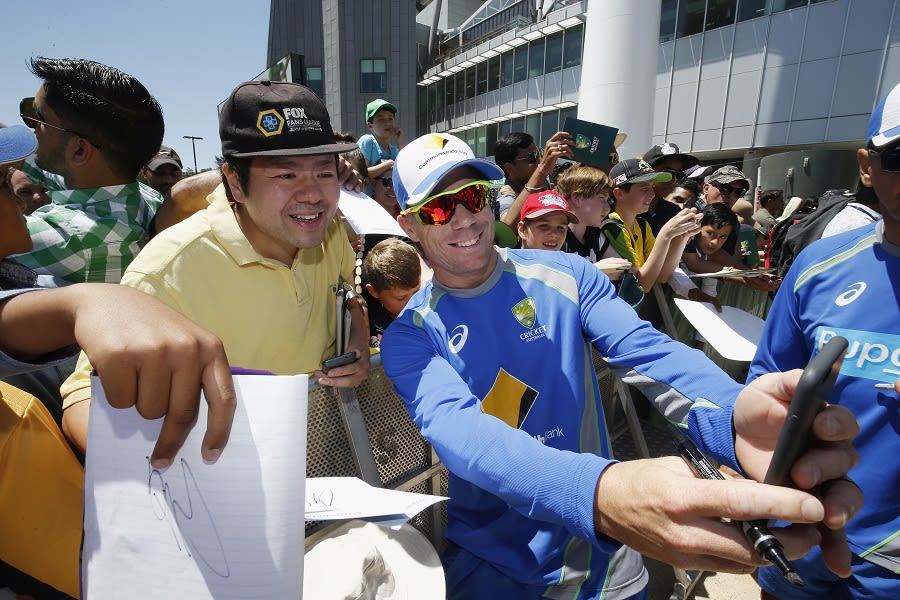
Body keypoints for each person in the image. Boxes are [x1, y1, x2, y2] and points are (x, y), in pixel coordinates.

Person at [382, 132, 860, 599]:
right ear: (409, 225)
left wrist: (736, 417)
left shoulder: (570, 275)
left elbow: (645, 351)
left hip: (601, 562)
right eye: (439, 208)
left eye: (473, 197)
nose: (464, 219)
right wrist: (601, 495)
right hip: (496, 561)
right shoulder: (410, 335)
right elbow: (463, 434)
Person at [60, 80, 371, 455]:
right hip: (223, 475)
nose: (313, 194)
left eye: (324, 173)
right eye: (286, 175)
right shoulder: (167, 270)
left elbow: (348, 295)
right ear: (235, 182)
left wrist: (357, 343)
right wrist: (156, 462)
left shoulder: (329, 232)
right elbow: (82, 397)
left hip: (321, 458)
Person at [751, 82, 900, 600]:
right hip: (801, 545)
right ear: (867, 166)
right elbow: (764, 388)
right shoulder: (819, 266)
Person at [12, 57, 165, 283]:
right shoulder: (147, 198)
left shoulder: (71, 237)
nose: (32, 127)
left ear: (79, 150)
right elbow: (36, 165)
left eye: (39, 118)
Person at [601, 158, 701, 291]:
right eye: (644, 188)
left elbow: (662, 276)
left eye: (652, 187)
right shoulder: (613, 227)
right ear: (619, 193)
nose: (652, 194)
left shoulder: (642, 225)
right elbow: (641, 286)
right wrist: (666, 235)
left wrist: (683, 236)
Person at [493, 130, 574, 226]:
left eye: (538, 153)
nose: (540, 160)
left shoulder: (543, 185)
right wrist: (542, 170)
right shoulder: (506, 195)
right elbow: (507, 227)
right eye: (532, 157)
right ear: (509, 167)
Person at [362, 237, 422, 346]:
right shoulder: (365, 316)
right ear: (374, 291)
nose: (412, 302)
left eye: (416, 291)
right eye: (401, 298)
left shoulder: (427, 313)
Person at [641, 143, 700, 235]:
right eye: (667, 173)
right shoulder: (624, 206)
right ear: (646, 170)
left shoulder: (675, 214)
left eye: (679, 175)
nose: (673, 180)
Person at [357, 98, 404, 181]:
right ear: (370, 126)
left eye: (390, 118)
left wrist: (400, 144)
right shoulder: (367, 141)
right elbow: (360, 173)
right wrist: (388, 164)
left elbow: (406, 170)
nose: (388, 123)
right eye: (381, 119)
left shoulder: (394, 151)